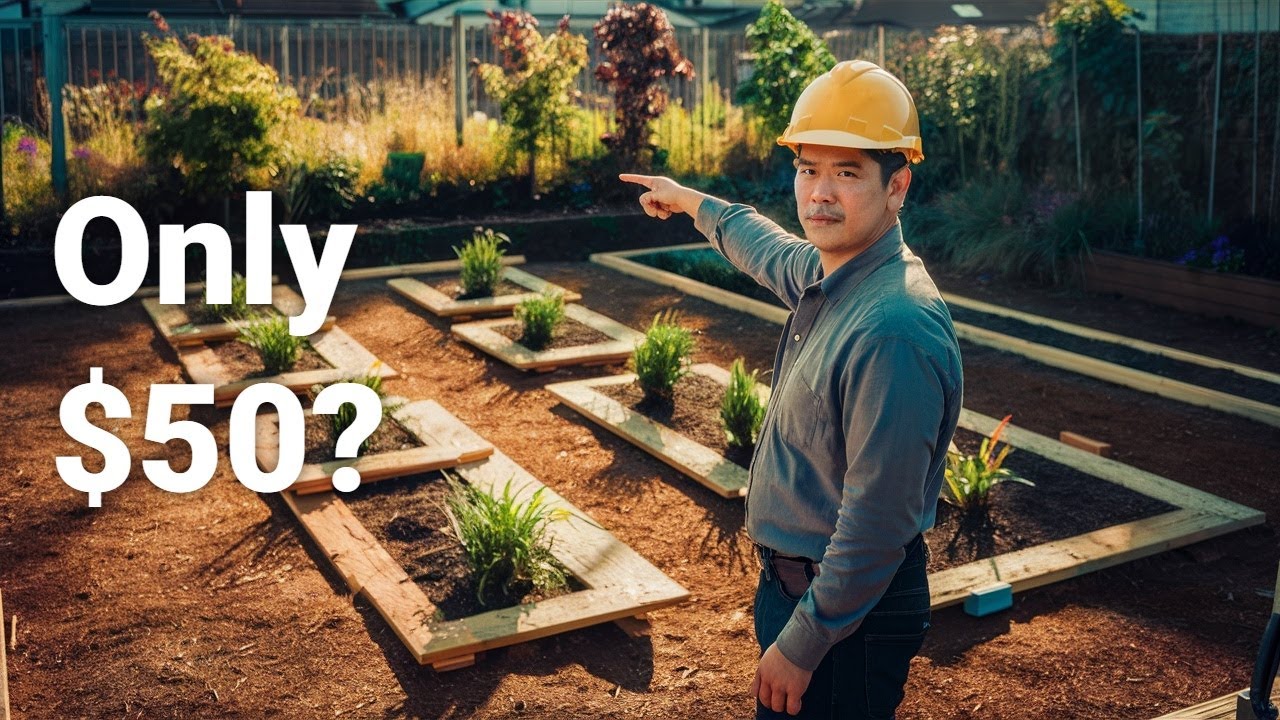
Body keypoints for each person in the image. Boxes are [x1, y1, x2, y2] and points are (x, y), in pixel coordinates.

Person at [619, 60, 963, 719]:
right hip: (808, 595)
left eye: (847, 172)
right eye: (809, 169)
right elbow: (766, 246)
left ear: (898, 186)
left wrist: (804, 641)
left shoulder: (892, 328)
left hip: (844, 619)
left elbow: (880, 518)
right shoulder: (839, 275)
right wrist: (690, 200)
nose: (820, 194)